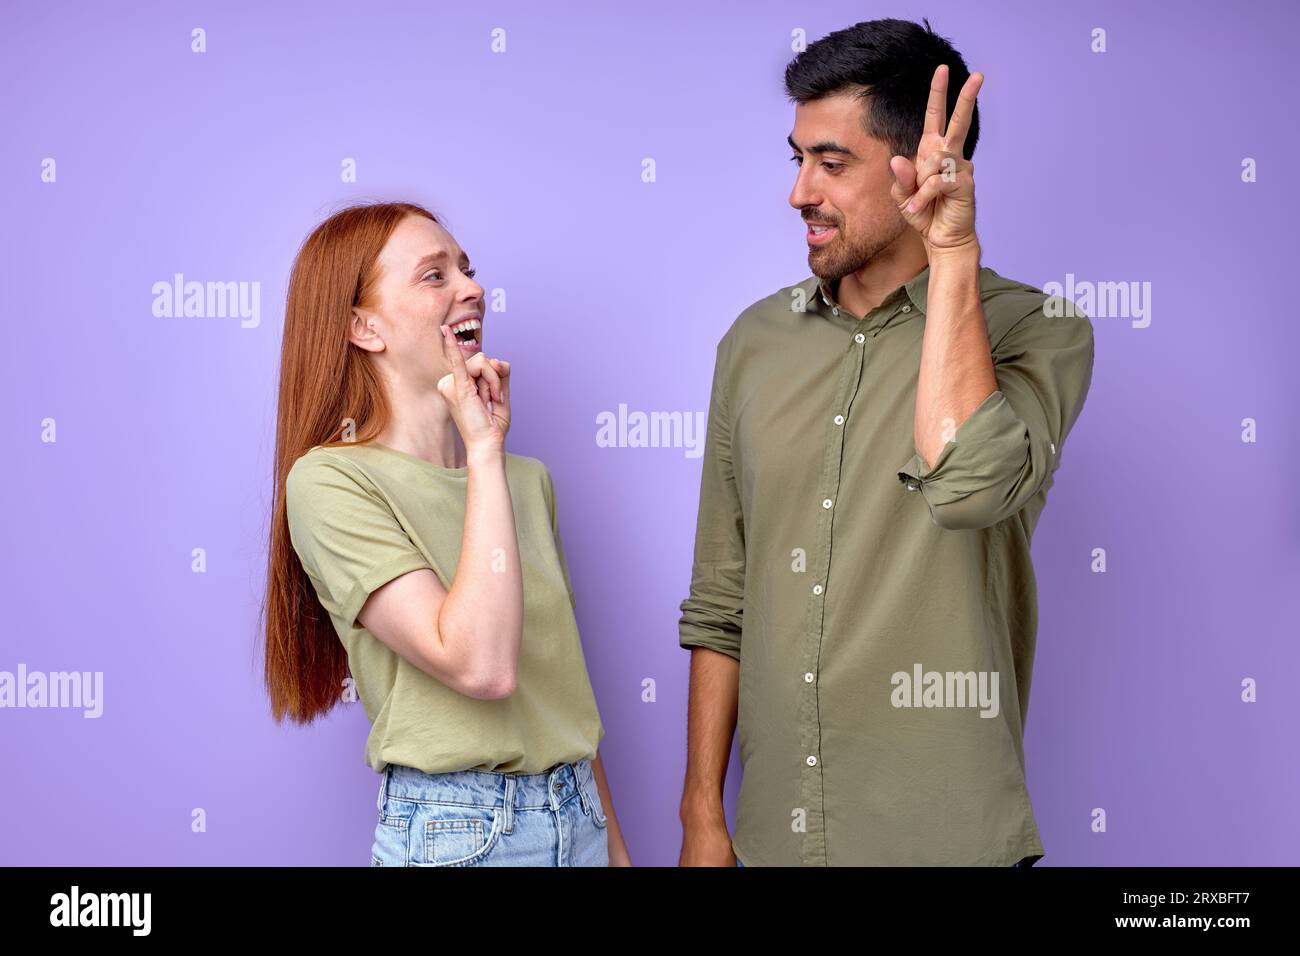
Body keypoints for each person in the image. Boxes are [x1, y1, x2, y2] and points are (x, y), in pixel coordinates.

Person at [677, 19, 1094, 866]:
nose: (799, 192)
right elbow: (722, 601)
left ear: (917, 168)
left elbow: (970, 485)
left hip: (948, 842)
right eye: (796, 160)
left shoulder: (1039, 330)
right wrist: (702, 820)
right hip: (771, 844)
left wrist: (951, 254)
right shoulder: (753, 343)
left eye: (831, 164)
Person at [263, 201, 631, 866]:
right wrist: (485, 451)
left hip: (579, 819)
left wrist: (615, 851)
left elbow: (561, 694)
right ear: (363, 326)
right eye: (434, 276)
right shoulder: (329, 484)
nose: (472, 289)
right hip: (460, 834)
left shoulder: (527, 482)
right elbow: (480, 666)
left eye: (466, 269)